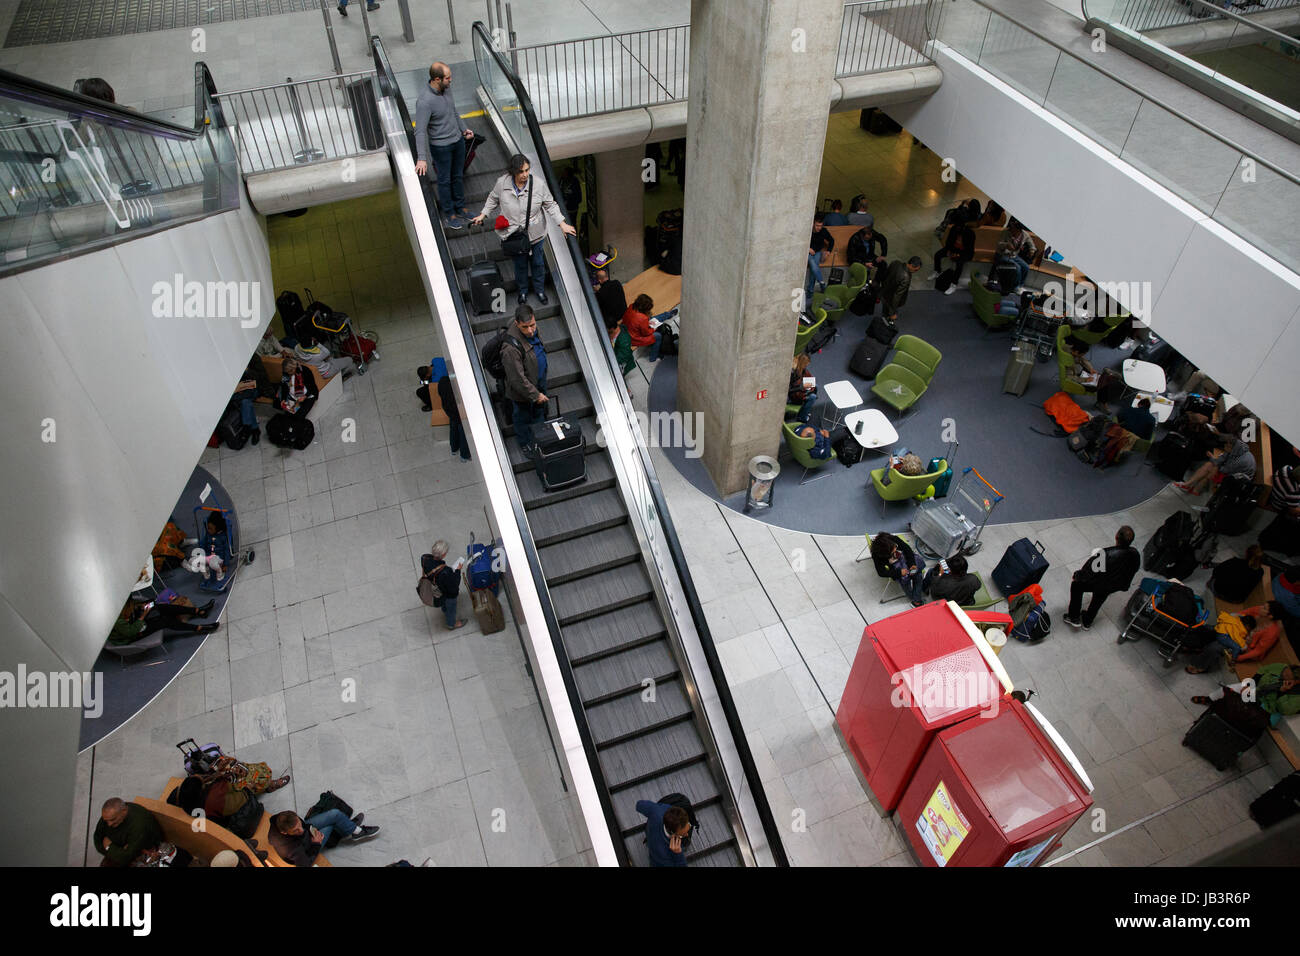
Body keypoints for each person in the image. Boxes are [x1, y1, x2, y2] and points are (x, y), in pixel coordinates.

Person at [472, 154, 576, 305]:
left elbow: (550, 204)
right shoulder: (502, 183)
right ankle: (522, 292)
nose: (525, 175)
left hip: (536, 234)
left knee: (538, 264)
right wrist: (483, 214)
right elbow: (493, 198)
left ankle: (540, 290)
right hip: (514, 235)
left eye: (527, 170)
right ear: (513, 172)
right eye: (521, 172)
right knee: (519, 265)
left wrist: (562, 223)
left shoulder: (538, 185)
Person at [413, 62, 477, 230]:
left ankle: (460, 207)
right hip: (441, 147)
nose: (451, 81)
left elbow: (453, 111)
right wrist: (421, 158)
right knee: (444, 180)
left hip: (457, 141)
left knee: (457, 176)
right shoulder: (425, 102)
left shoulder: (447, 89)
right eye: (448, 78)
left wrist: (464, 130)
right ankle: (450, 213)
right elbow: (419, 131)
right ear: (436, 79)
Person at [1063, 526, 1140, 630]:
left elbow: (1088, 571)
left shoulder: (1106, 554)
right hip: (1113, 585)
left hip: (1098, 583)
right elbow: (1134, 569)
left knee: (1076, 586)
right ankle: (1087, 621)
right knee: (1098, 599)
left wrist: (1077, 576)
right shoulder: (1135, 554)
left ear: (1116, 536)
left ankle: (1074, 617)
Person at [1185, 601, 1286, 674]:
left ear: (1270, 616)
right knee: (1209, 629)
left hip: (1244, 646)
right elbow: (1242, 614)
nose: (1260, 607)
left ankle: (1200, 666)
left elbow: (1258, 651)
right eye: (1263, 605)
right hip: (1236, 632)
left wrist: (1239, 657)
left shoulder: (1272, 632)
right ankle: (1194, 645)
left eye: (1264, 608)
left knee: (1216, 647)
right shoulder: (1258, 611)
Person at [500, 304, 548, 455]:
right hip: (523, 392)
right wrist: (535, 395)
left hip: (538, 382)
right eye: (525, 327)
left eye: (532, 325)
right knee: (523, 417)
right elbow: (517, 379)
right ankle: (526, 444)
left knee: (538, 412)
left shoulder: (534, 330)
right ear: (516, 323)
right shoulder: (510, 349)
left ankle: (541, 437)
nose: (530, 330)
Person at [270, 809, 379, 866]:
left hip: (306, 837)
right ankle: (350, 827)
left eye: (299, 825)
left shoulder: (288, 817)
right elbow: (305, 864)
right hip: (308, 849)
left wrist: (307, 828)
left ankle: (350, 828)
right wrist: (316, 844)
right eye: (296, 830)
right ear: (284, 832)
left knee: (335, 814)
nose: (301, 830)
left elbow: (304, 826)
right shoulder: (291, 849)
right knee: (331, 824)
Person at [1191, 663, 1300, 716]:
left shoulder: (1296, 694)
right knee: (1229, 689)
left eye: (1287, 675)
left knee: (1237, 705)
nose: (1283, 673)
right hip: (1256, 690)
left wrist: (1282, 692)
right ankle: (1209, 699)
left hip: (1265, 706)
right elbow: (1262, 671)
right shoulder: (1282, 667)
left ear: (1296, 681)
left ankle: (1218, 712)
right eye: (1285, 671)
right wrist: (1249, 686)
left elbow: (1283, 709)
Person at [110, 596, 217, 644]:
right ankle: (199, 628)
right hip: (132, 634)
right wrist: (143, 616)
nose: (131, 606)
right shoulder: (117, 621)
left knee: (161, 607)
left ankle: (199, 611)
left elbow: (132, 606)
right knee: (165, 621)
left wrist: (140, 606)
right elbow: (130, 632)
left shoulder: (122, 608)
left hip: (133, 621)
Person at [93, 798, 165, 867]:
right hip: (122, 848)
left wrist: (109, 847)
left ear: (124, 811)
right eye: (106, 820)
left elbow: (127, 857)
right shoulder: (109, 816)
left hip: (143, 850)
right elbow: (97, 839)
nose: (109, 824)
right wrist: (117, 853)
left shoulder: (139, 825)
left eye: (113, 819)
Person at [1177, 436, 1256, 496]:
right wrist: (1212, 458)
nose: (1224, 447)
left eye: (1227, 446)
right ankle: (1192, 487)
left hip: (1237, 480)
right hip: (1229, 471)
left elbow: (1225, 470)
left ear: (1232, 447)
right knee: (1210, 465)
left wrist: (1214, 461)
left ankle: (1190, 486)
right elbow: (1220, 460)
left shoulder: (1241, 460)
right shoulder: (1235, 449)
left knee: (1213, 468)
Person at [870, 533, 927, 607]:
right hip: (896, 569)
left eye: (895, 546)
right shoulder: (877, 555)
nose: (896, 548)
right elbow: (881, 572)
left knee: (917, 574)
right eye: (893, 550)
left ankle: (916, 599)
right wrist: (899, 572)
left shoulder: (893, 540)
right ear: (886, 553)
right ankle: (915, 599)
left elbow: (907, 549)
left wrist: (912, 563)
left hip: (906, 561)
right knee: (905, 582)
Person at [420, 540, 466, 630]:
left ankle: (444, 609)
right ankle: (451, 624)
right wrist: (458, 570)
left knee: (444, 603)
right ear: (444, 555)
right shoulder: (445, 571)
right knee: (451, 609)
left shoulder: (424, 558)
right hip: (448, 594)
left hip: (436, 589)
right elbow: (454, 586)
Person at [231, 355, 276, 446]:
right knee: (245, 402)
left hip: (256, 387)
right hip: (242, 389)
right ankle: (254, 429)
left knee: (244, 401)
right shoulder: (232, 360)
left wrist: (247, 371)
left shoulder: (254, 358)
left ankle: (249, 427)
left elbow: (260, 377)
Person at [622, 293, 677, 363]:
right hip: (634, 339)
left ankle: (668, 314)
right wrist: (654, 329)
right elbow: (646, 333)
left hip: (628, 331)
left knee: (653, 319)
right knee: (658, 336)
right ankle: (653, 357)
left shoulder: (631, 306)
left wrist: (647, 322)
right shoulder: (642, 318)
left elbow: (637, 321)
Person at [635, 799, 691, 867]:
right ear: (672, 833)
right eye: (682, 835)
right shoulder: (663, 853)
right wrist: (678, 855)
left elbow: (639, 804)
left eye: (689, 825)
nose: (687, 834)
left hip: (650, 831)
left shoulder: (662, 810)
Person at [929, 221, 976, 293]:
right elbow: (948, 242)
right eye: (956, 227)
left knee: (959, 264)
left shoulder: (970, 234)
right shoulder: (954, 229)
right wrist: (949, 251)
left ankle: (954, 284)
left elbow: (969, 249)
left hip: (965, 253)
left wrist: (958, 254)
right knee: (937, 255)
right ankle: (937, 271)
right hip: (953, 249)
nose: (957, 229)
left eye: (959, 228)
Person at [875, 256, 922, 323]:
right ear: (911, 265)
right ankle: (887, 322)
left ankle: (884, 317)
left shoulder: (896, 262)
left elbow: (886, 275)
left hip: (884, 292)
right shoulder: (906, 278)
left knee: (884, 308)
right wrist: (893, 313)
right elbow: (897, 296)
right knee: (888, 313)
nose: (915, 271)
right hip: (891, 299)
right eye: (916, 270)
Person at [606, 312, 636, 377]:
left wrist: (607, 361)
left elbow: (622, 358)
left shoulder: (624, 340)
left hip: (620, 364)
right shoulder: (612, 331)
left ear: (612, 328)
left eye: (606, 328)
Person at [789, 354, 817, 423]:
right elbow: (788, 390)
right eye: (806, 365)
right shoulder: (793, 373)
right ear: (802, 363)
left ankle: (805, 408)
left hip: (800, 388)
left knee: (816, 386)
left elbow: (807, 376)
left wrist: (810, 382)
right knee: (813, 397)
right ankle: (802, 417)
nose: (806, 366)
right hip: (794, 395)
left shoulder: (802, 369)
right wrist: (801, 387)